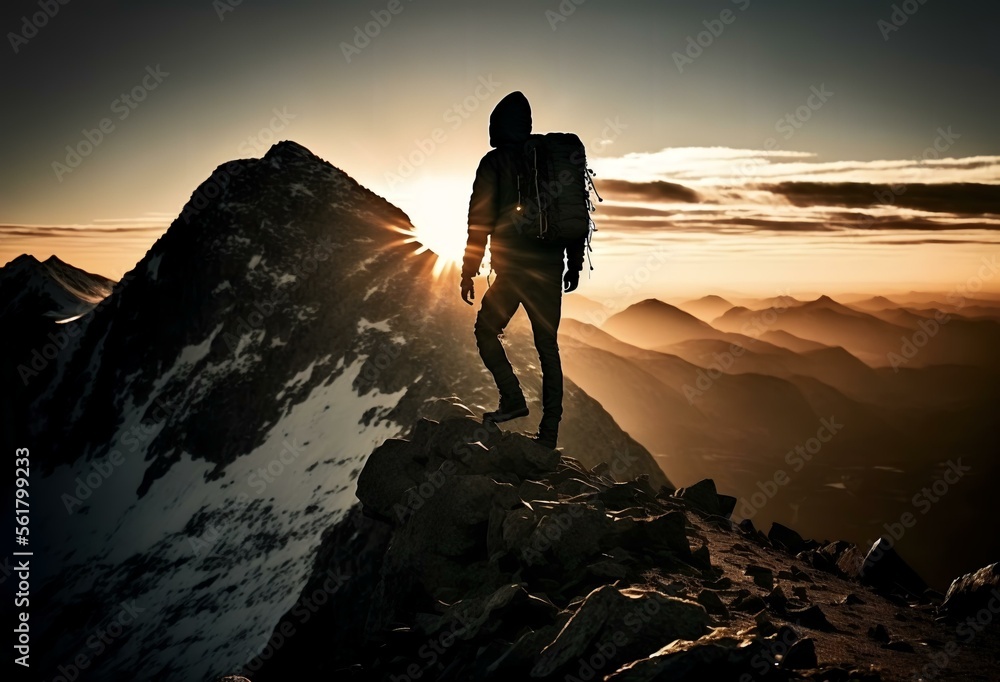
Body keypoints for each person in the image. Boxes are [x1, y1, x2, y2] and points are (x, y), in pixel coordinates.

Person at [460, 91, 586, 449]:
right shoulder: (549, 161)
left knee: (487, 331)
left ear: (497, 127)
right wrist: (573, 264)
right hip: (550, 270)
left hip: (513, 271)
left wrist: (469, 270)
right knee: (548, 348)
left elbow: (479, 221)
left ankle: (512, 399)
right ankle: (548, 435)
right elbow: (573, 216)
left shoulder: (493, 163)